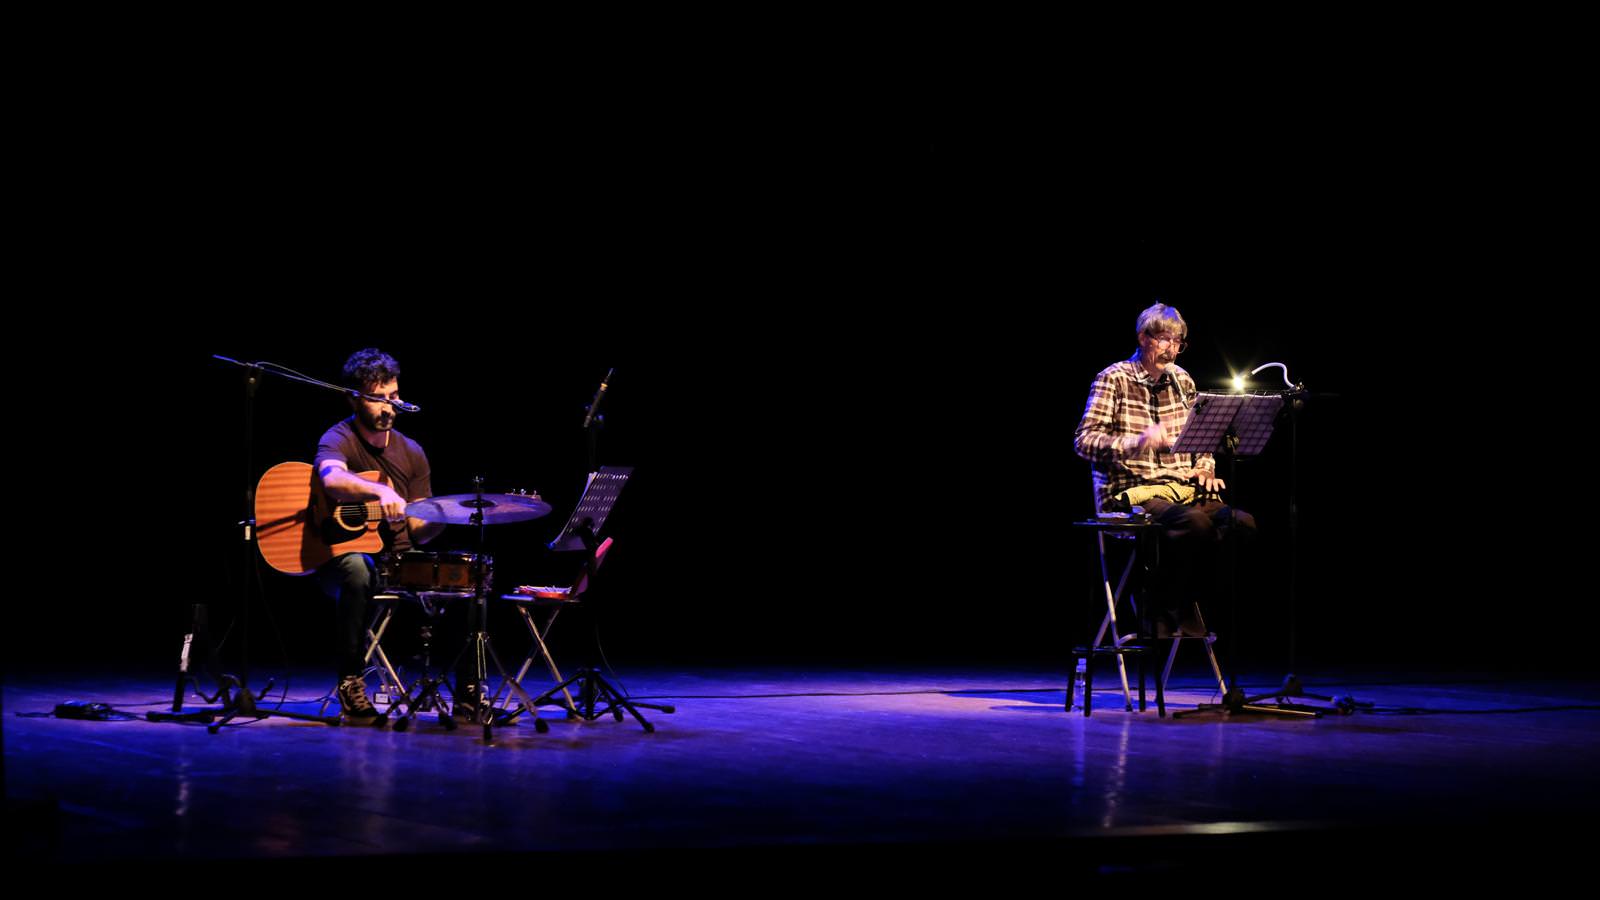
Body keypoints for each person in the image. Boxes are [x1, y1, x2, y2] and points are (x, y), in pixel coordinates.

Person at [1073, 303, 1256, 637]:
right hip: (1130, 491)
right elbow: (1084, 442)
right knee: (1194, 523)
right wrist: (1137, 442)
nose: (1171, 349)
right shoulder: (1113, 378)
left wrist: (1204, 468)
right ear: (1144, 338)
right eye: (1164, 339)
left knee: (1240, 523)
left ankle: (1171, 599)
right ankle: (1162, 604)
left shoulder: (1182, 380)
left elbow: (1202, 438)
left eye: (1178, 342)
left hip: (1179, 490)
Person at [315, 348, 445, 719]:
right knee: (359, 568)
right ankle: (350, 680)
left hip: (400, 562)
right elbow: (332, 479)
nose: (389, 407)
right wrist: (380, 491)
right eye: (378, 399)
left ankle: (469, 690)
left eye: (394, 396)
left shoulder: (412, 451)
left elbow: (419, 531)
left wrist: (446, 517)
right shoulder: (338, 438)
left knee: (466, 577)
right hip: (339, 557)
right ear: (353, 398)